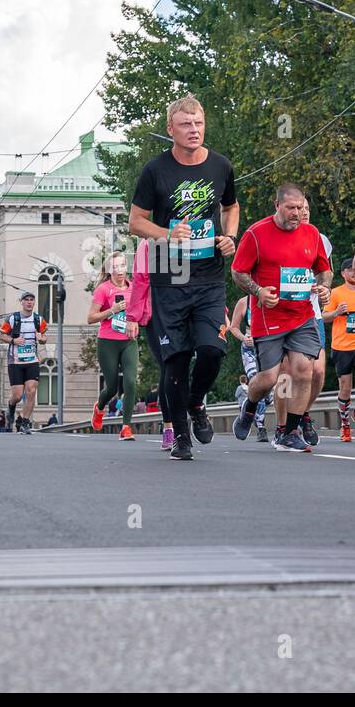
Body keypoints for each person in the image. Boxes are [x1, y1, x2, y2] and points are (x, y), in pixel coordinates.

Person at [130, 94, 240, 460]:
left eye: (198, 124)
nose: (194, 130)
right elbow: (136, 221)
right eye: (185, 125)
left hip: (208, 274)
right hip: (168, 272)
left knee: (212, 349)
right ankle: (181, 436)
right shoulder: (155, 171)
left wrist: (229, 236)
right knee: (175, 359)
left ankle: (196, 402)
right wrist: (165, 233)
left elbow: (231, 205)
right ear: (171, 129)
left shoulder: (220, 166)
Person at [230, 183, 332, 453]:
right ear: (277, 206)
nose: (296, 213)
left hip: (301, 315)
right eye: (290, 208)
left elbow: (324, 269)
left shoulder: (311, 234)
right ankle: (250, 405)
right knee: (269, 378)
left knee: (304, 370)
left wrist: (324, 286)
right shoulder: (256, 234)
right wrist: (258, 291)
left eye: (300, 208)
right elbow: (238, 272)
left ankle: (290, 431)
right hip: (269, 315)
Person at [280, 199, 335, 446]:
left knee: (318, 371)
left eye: (307, 209)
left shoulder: (320, 239)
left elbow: (326, 272)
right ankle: (282, 427)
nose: (303, 213)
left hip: (310, 314)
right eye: (298, 209)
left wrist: (324, 288)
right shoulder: (275, 235)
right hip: (279, 315)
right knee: (285, 375)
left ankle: (301, 415)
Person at [127, 237, 175, 451]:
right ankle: (169, 427)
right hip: (156, 314)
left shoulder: (194, 238)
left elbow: (204, 277)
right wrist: (133, 317)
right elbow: (140, 280)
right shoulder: (148, 244)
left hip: (184, 311)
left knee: (184, 365)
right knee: (168, 366)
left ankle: (193, 408)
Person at [89, 251, 140, 441]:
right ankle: (99, 408)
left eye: (122, 266)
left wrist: (136, 322)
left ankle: (126, 427)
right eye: (115, 267)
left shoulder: (134, 288)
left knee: (130, 382)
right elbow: (90, 318)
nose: (119, 271)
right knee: (111, 387)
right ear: (109, 271)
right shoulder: (103, 289)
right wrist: (111, 310)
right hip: (108, 342)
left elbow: (142, 312)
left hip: (129, 341)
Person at [323, 258, 355, 442]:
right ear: (343, 273)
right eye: (351, 270)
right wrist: (336, 312)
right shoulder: (336, 293)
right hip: (341, 347)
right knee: (344, 389)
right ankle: (345, 425)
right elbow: (324, 316)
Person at [0, 291, 48, 435]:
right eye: (26, 300)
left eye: (32, 300)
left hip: (32, 360)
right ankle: (11, 406)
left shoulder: (39, 319)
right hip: (15, 361)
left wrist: (41, 338)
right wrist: (14, 340)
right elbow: (1, 335)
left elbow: (44, 338)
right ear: (22, 302)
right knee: (18, 395)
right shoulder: (13, 318)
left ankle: (25, 423)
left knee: (31, 391)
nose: (29, 302)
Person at [229, 295, 271, 441]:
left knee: (268, 392)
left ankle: (250, 405)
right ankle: (261, 428)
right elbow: (233, 327)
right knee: (256, 382)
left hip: (269, 347)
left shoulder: (274, 298)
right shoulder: (244, 302)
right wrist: (243, 338)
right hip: (250, 350)